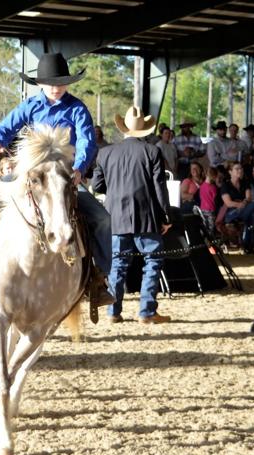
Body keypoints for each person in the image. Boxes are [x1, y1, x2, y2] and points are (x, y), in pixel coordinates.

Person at [0, 52, 113, 311]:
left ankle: (98, 277)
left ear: (68, 83)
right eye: (50, 83)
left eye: (60, 82)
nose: (56, 87)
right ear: (40, 84)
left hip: (64, 176)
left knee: (102, 219)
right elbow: (5, 127)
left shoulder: (77, 108)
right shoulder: (30, 106)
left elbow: (86, 141)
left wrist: (80, 168)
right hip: (30, 174)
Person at [92, 106, 171, 324]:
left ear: (124, 128)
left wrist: (116, 189)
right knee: (153, 261)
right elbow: (159, 188)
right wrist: (166, 216)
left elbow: (97, 185)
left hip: (115, 216)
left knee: (117, 264)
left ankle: (113, 312)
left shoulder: (106, 153)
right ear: (144, 130)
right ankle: (147, 312)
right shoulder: (153, 151)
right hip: (146, 216)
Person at [219, 162, 254, 254]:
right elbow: (228, 203)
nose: (240, 171)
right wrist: (240, 205)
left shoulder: (245, 183)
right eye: (237, 169)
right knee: (252, 210)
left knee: (252, 214)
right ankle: (247, 245)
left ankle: (246, 244)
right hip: (231, 213)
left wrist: (244, 203)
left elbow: (248, 197)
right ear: (230, 172)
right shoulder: (225, 185)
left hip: (244, 210)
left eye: (241, 169)